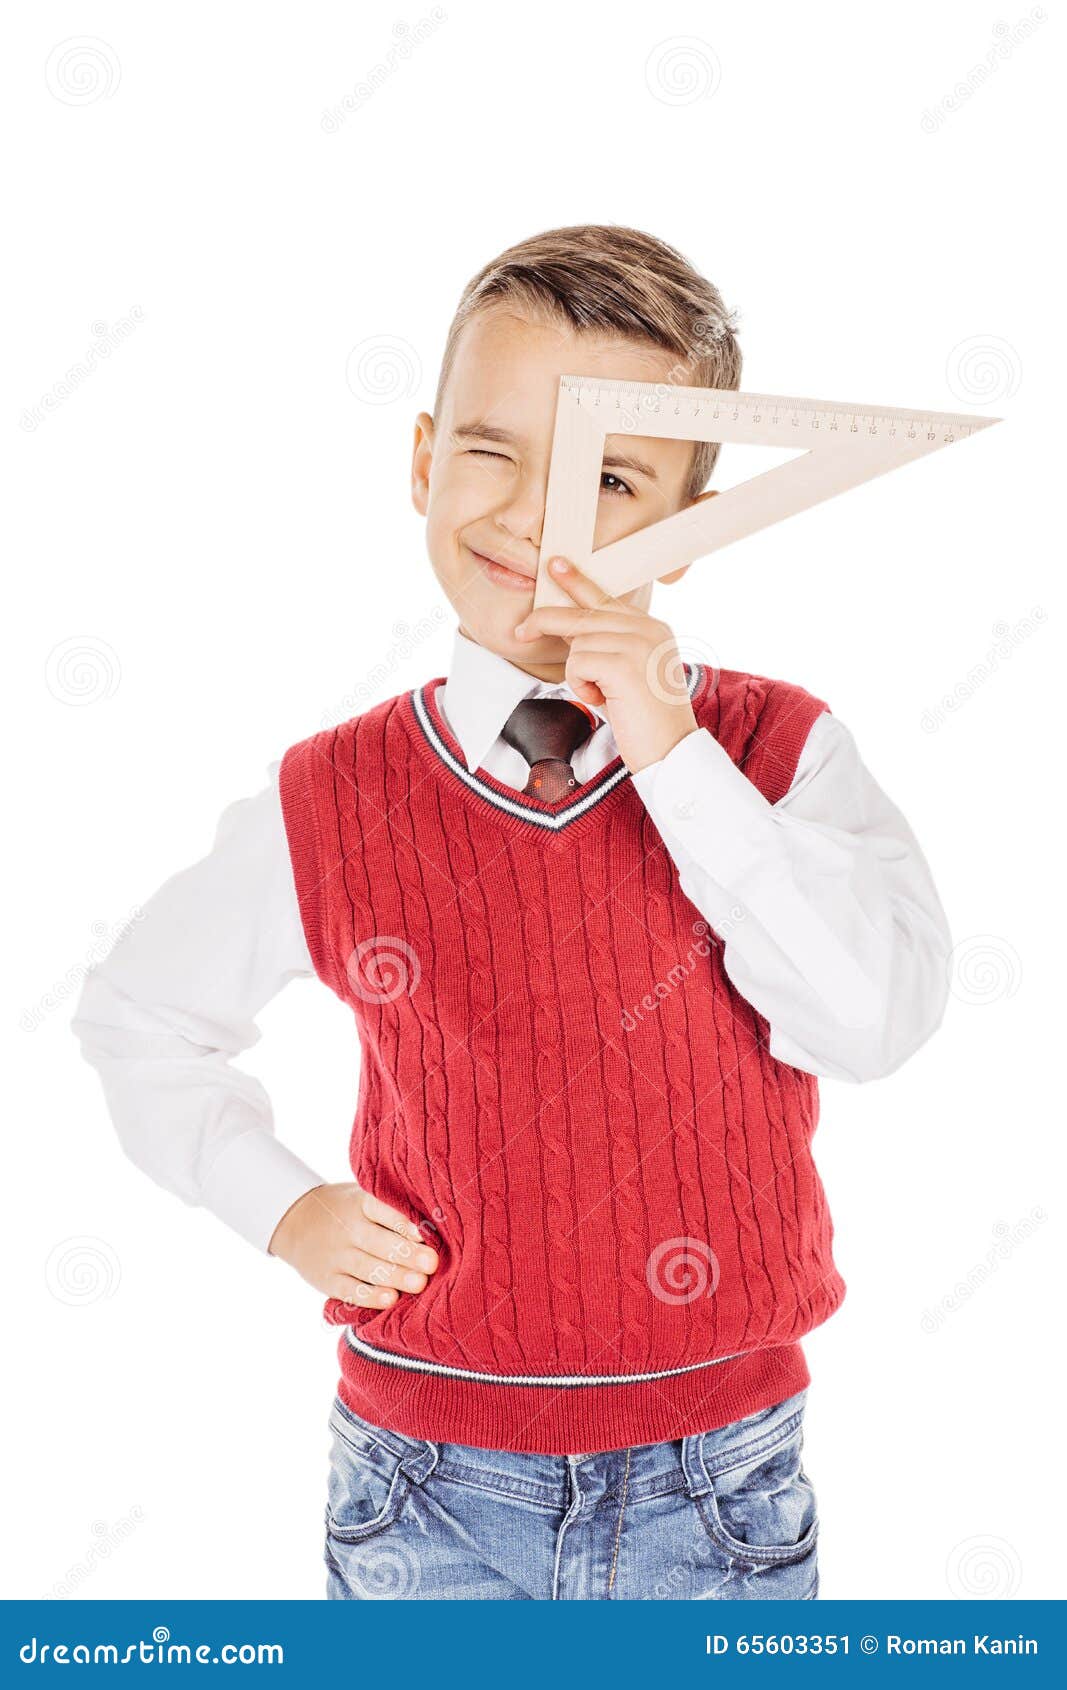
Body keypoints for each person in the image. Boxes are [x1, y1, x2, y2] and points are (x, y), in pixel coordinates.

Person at [72, 224, 952, 1600]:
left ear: (694, 518)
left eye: (610, 479)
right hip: (429, 1481)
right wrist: (281, 1203)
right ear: (423, 462)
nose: (541, 522)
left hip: (717, 1473)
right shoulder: (334, 795)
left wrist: (675, 750)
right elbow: (137, 1013)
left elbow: (871, 1019)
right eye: (494, 451)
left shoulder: (781, 754)